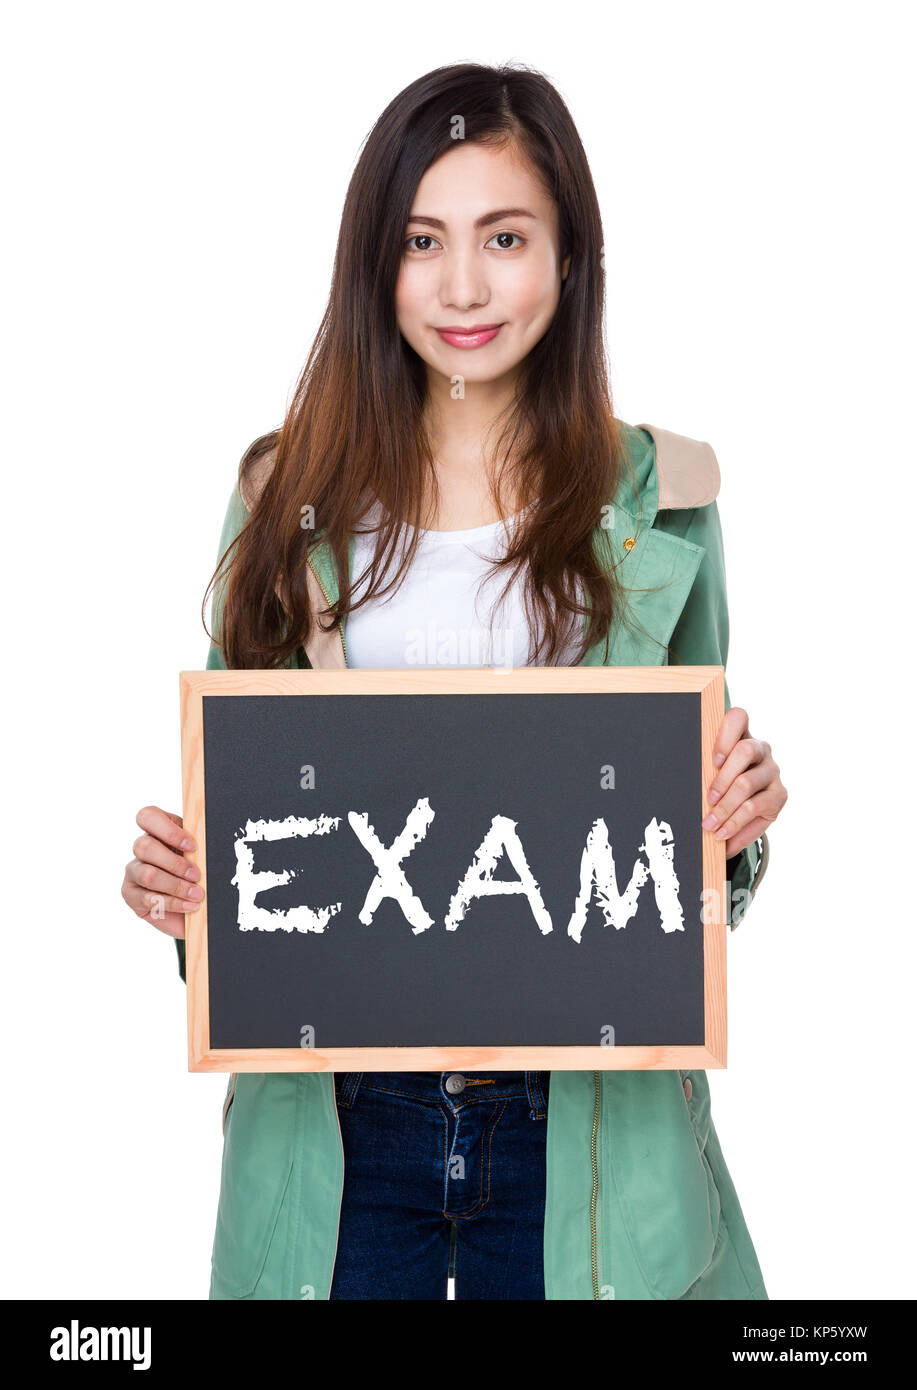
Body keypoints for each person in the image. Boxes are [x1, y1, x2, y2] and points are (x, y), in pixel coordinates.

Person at [121, 62, 787, 1300]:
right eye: (423, 239)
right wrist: (183, 891)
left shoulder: (658, 498)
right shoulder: (281, 501)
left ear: (570, 254)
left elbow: (684, 879)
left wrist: (733, 820)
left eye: (505, 236)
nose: (464, 285)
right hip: (338, 1134)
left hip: (580, 1132)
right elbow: (253, 848)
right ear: (374, 259)